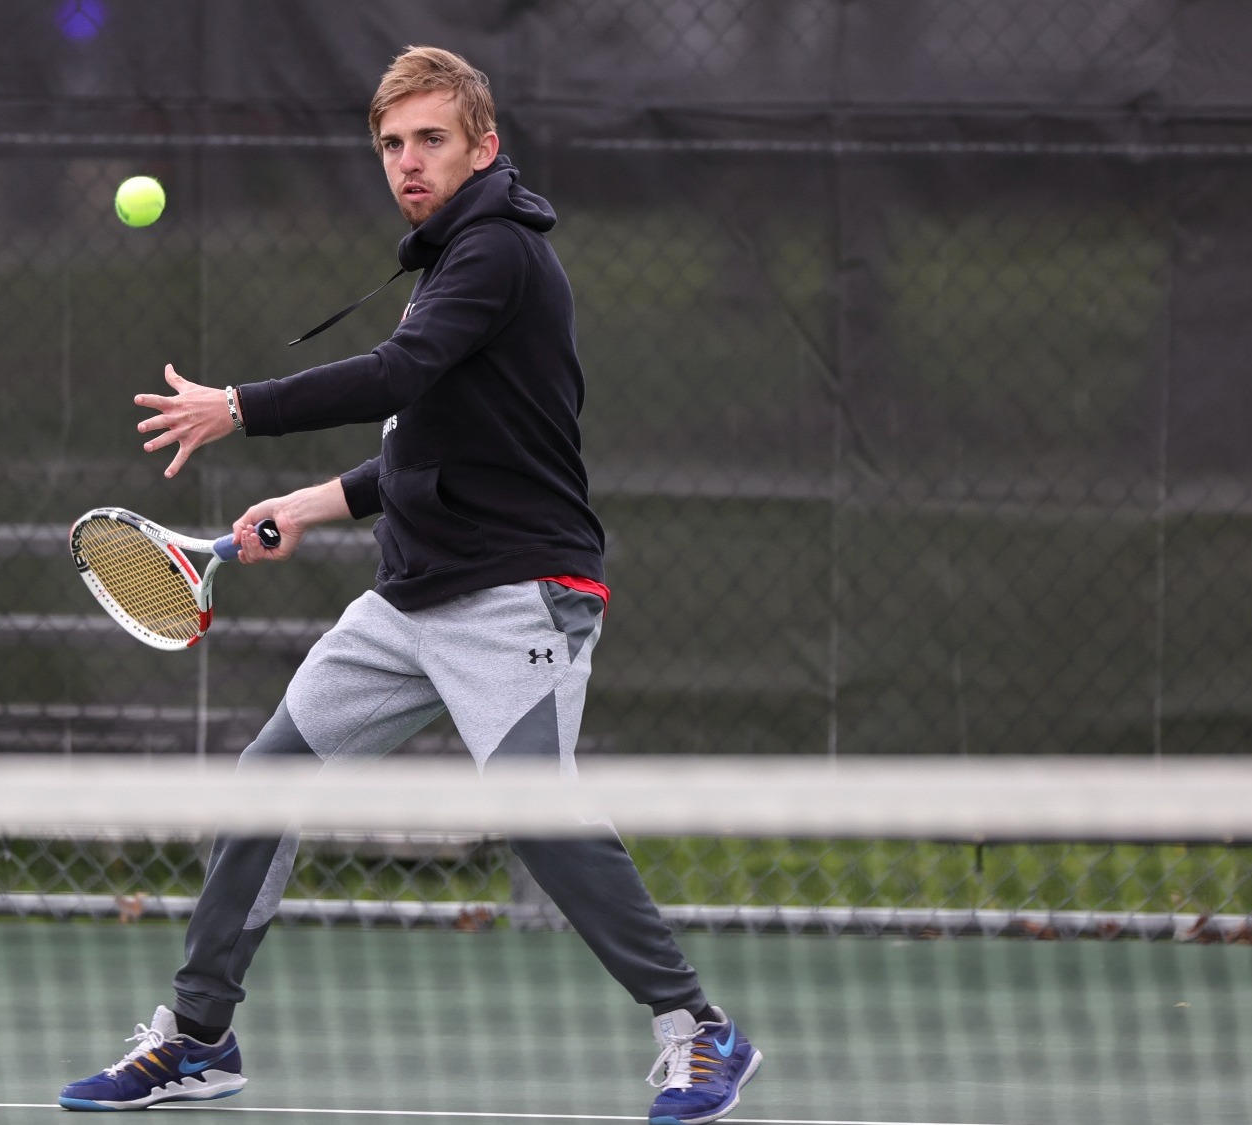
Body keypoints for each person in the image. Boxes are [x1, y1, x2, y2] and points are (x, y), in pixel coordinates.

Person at [57, 46, 763, 1125]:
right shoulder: (448, 265)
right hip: (406, 601)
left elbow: (396, 374)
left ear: (483, 146)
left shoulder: (498, 252)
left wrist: (238, 407)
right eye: (391, 144)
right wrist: (308, 504)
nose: (408, 161)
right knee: (266, 781)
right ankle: (198, 1036)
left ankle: (699, 1031)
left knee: (533, 810)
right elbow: (424, 443)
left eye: (431, 139)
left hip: (519, 593)